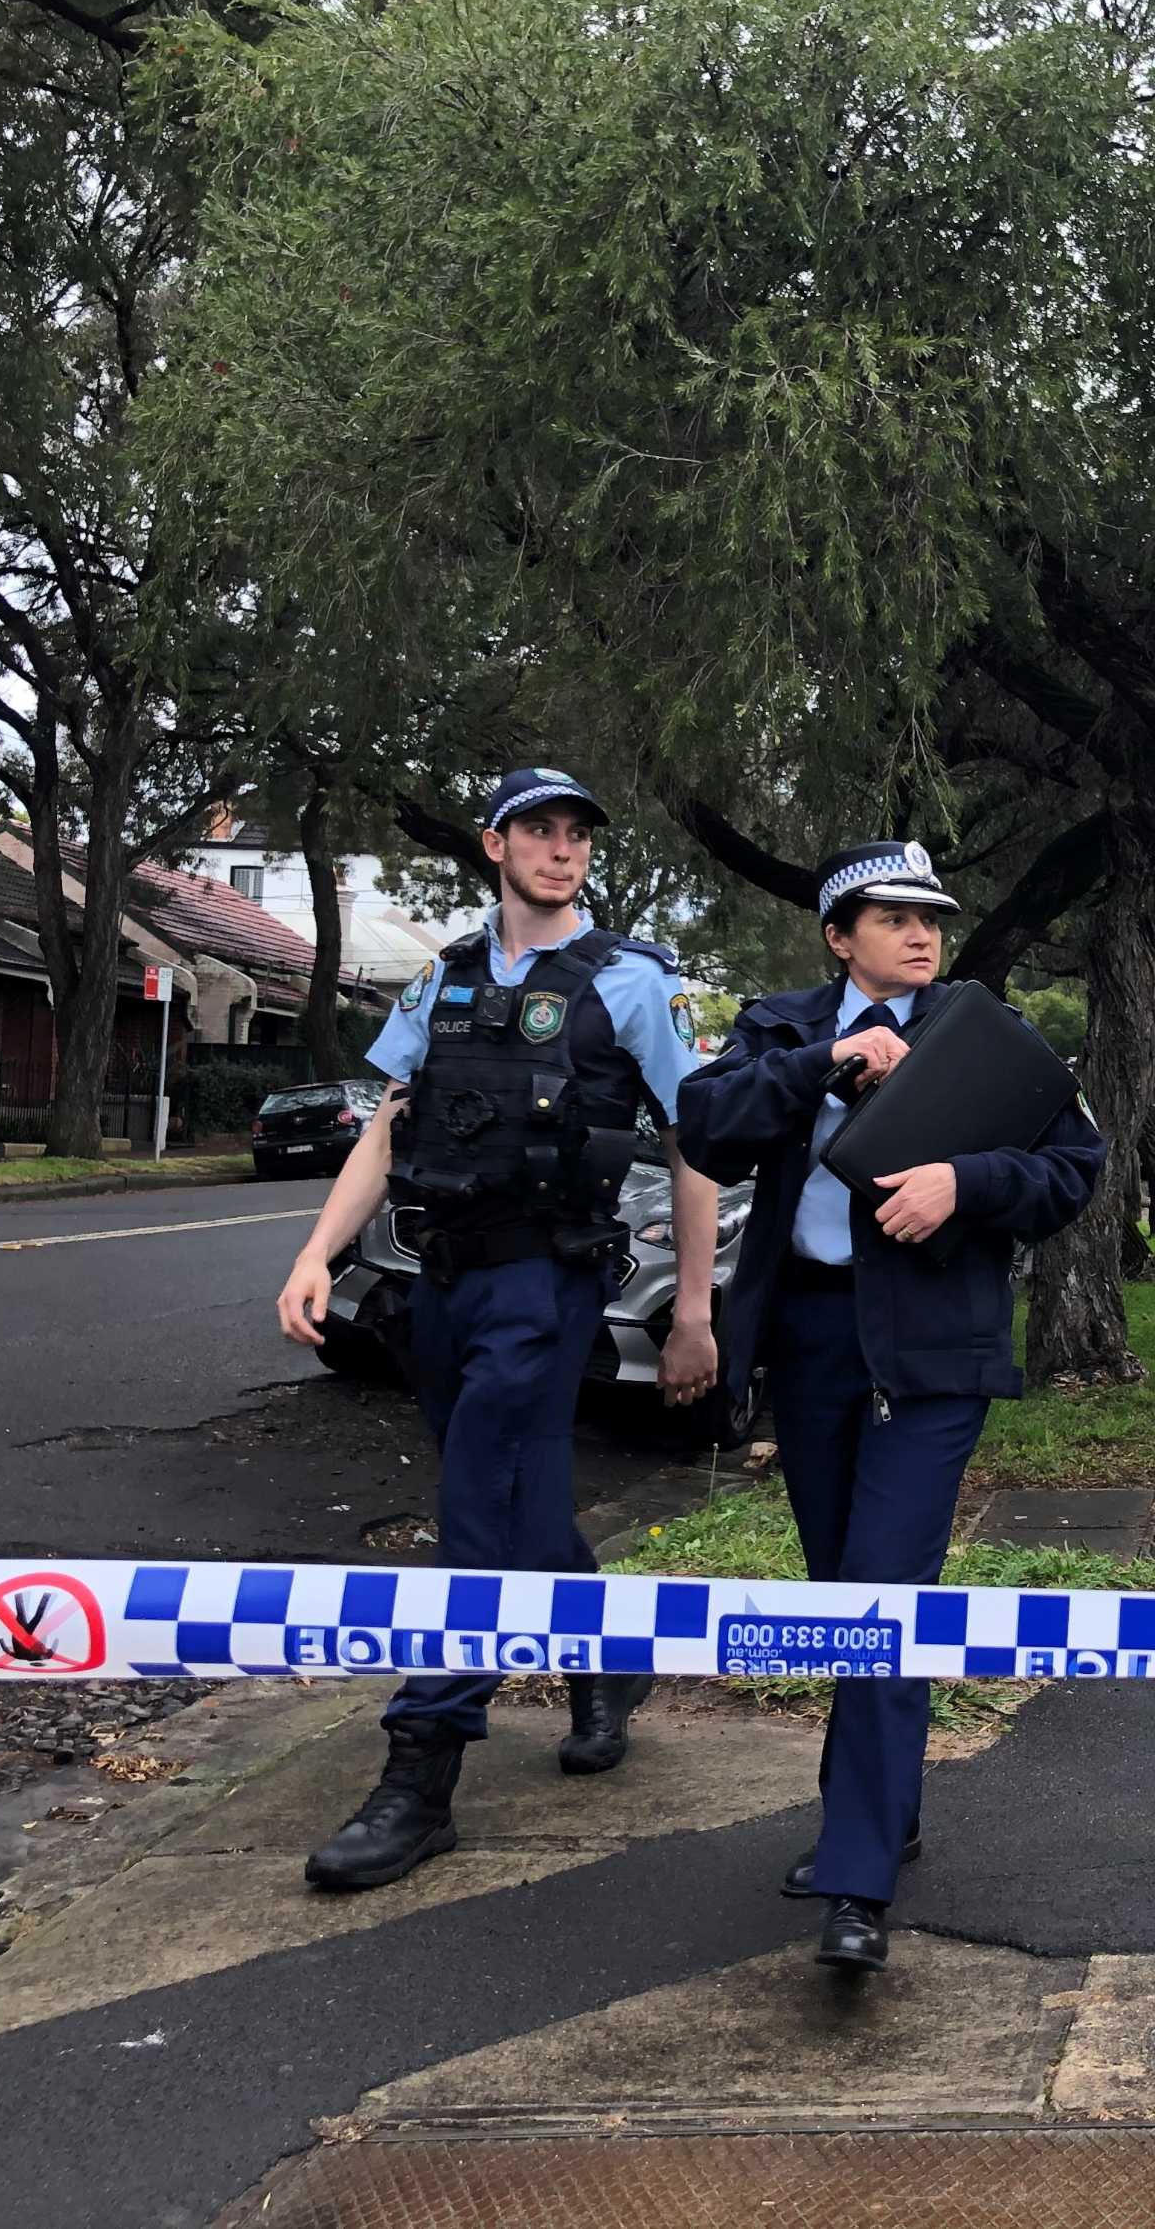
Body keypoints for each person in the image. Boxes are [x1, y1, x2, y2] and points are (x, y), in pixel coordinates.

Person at [274, 767, 721, 1890]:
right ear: (495, 844)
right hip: (443, 1278)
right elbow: (387, 1123)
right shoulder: (446, 978)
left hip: (546, 1282)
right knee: (518, 1493)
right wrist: (316, 1253)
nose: (561, 849)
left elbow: (697, 1143)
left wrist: (697, 1313)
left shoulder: (631, 984)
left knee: (473, 1505)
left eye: (577, 833)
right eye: (539, 830)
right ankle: (610, 1660)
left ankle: (421, 1776)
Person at [679, 840, 1104, 1974]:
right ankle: (885, 1806)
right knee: (841, 1596)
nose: (922, 935)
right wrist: (825, 1063)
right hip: (812, 1342)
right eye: (893, 917)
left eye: (933, 918)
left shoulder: (983, 1033)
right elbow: (707, 1128)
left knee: (882, 1598)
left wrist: (965, 1184)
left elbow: (1073, 1167)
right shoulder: (782, 1026)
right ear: (838, 934)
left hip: (932, 1355)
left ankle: (857, 1875)